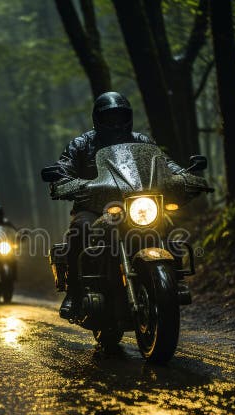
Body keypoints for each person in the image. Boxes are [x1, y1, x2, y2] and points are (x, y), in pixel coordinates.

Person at [42, 91, 187, 320]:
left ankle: (174, 279)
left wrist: (183, 176)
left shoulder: (142, 141)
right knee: (81, 227)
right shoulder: (81, 144)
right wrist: (64, 181)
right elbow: (64, 168)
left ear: (128, 117)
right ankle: (75, 292)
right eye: (109, 118)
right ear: (98, 119)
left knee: (168, 223)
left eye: (120, 117)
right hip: (94, 207)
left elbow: (165, 163)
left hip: (137, 205)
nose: (116, 123)